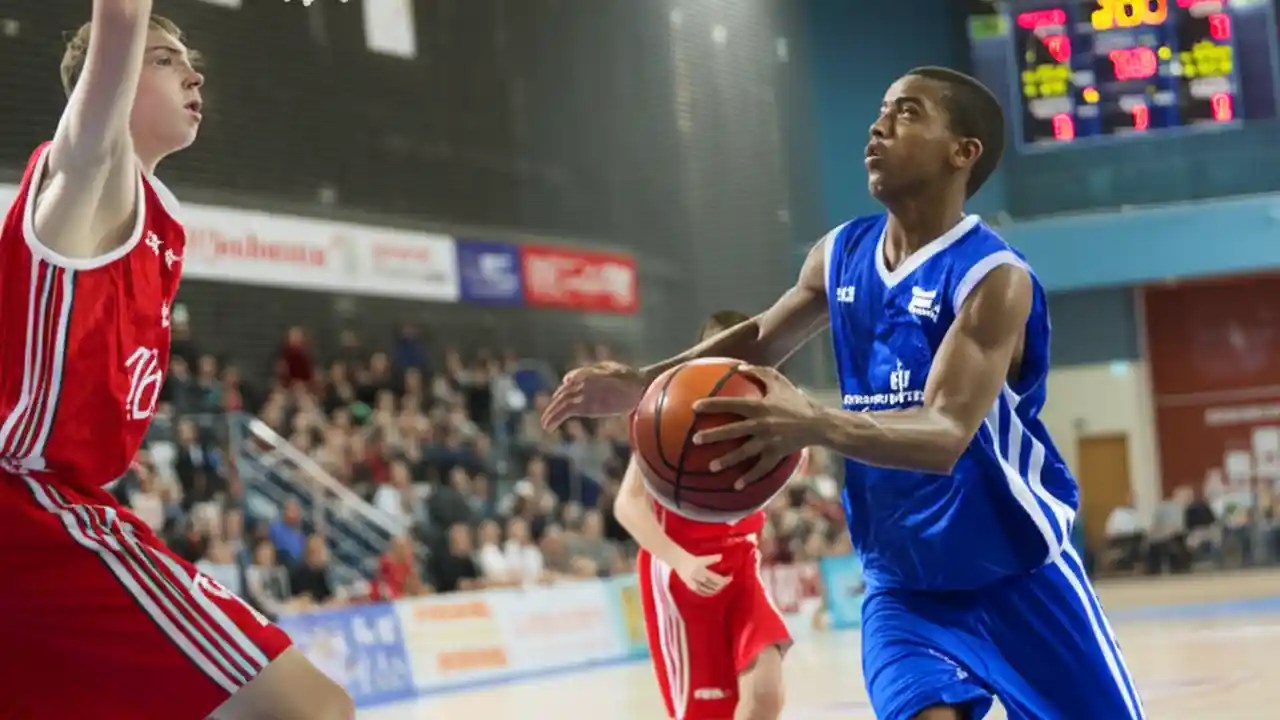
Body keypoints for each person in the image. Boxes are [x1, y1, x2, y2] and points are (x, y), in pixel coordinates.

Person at [544, 67, 1144, 720]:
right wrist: (642, 383)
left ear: (962, 152)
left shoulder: (991, 278)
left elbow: (944, 434)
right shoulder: (840, 254)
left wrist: (815, 422)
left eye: (908, 113)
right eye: (881, 109)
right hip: (904, 590)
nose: (879, 125)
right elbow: (759, 339)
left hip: (1020, 577)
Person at [0, 4, 353, 718]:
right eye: (164, 59)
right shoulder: (88, 174)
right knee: (310, 709)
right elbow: (120, 17)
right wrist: (127, 33)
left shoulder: (161, 221)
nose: (193, 72)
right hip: (28, 506)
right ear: (116, 79)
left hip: (47, 511)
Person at [614, 310, 793, 720]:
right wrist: (681, 560)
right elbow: (628, 503)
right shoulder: (667, 410)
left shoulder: (770, 408)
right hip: (683, 573)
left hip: (743, 570)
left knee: (766, 693)